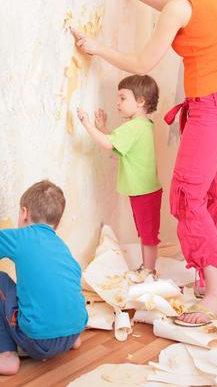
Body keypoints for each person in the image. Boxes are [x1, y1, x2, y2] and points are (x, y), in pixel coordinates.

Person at [71, 0, 217, 326]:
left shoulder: (180, 7)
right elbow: (174, 6)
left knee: (187, 196)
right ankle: (213, 277)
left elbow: (142, 64)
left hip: (209, 113)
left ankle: (216, 294)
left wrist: (96, 47)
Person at [0, 180, 88, 375]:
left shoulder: (20, 236)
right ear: (58, 223)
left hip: (39, 342)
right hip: (72, 334)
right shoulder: (62, 247)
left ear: (24, 213)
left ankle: (6, 355)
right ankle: (68, 334)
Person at [77, 74, 163, 281]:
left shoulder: (134, 127)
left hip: (144, 191)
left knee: (148, 234)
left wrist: (86, 124)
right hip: (144, 189)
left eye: (123, 98)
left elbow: (108, 144)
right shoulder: (141, 125)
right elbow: (119, 144)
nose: (118, 103)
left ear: (140, 101)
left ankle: (149, 271)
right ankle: (148, 268)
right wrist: (103, 128)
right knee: (145, 232)